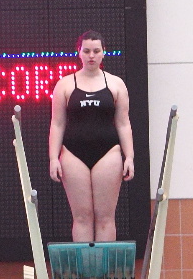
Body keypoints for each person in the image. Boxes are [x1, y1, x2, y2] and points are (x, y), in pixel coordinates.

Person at [48, 30, 134, 242]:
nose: (91, 55)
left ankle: (103, 275)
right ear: (79, 53)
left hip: (109, 152)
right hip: (72, 154)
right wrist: (53, 158)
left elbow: (123, 123)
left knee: (105, 218)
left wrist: (129, 156)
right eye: (86, 51)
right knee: (81, 217)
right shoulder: (65, 85)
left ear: (104, 53)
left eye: (96, 51)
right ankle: (86, 274)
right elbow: (57, 124)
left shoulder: (116, 84)